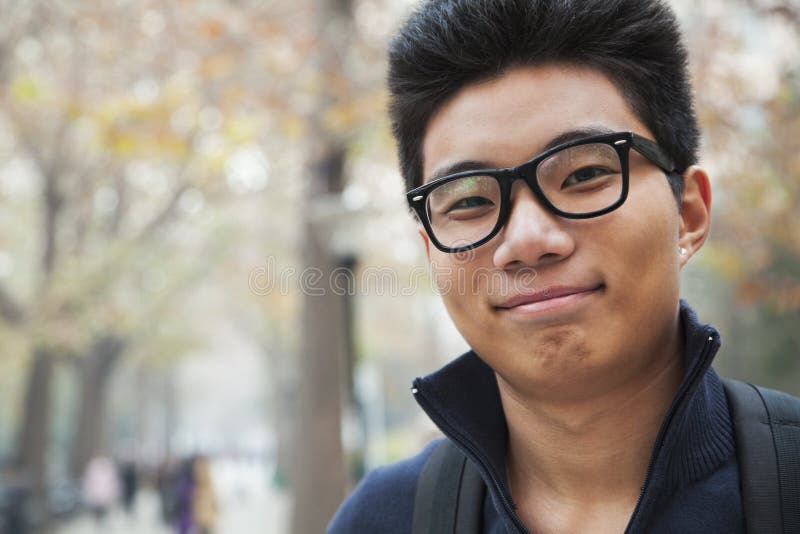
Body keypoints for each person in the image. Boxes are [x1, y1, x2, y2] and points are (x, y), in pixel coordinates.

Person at [328, 1, 799, 533]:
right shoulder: (384, 520)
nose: (528, 242)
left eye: (584, 175)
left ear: (688, 213)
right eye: (468, 202)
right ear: (430, 250)